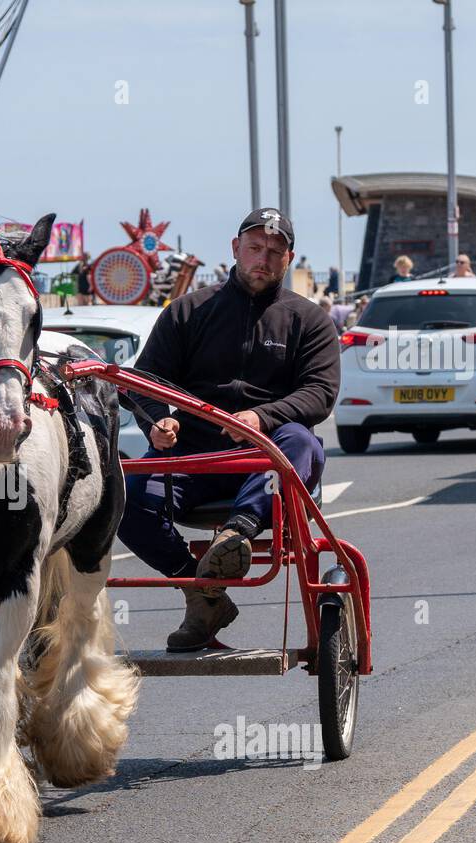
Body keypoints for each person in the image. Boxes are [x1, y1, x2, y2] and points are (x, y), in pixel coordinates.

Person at [117, 207, 339, 652]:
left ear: (289, 258)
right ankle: (202, 593)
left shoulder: (309, 320)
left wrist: (264, 417)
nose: (264, 258)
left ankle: (237, 532)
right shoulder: (187, 311)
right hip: (191, 458)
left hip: (268, 461)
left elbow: (321, 392)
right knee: (125, 495)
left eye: (275, 251)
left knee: (299, 438)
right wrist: (158, 419)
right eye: (255, 248)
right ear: (235, 249)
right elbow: (142, 384)